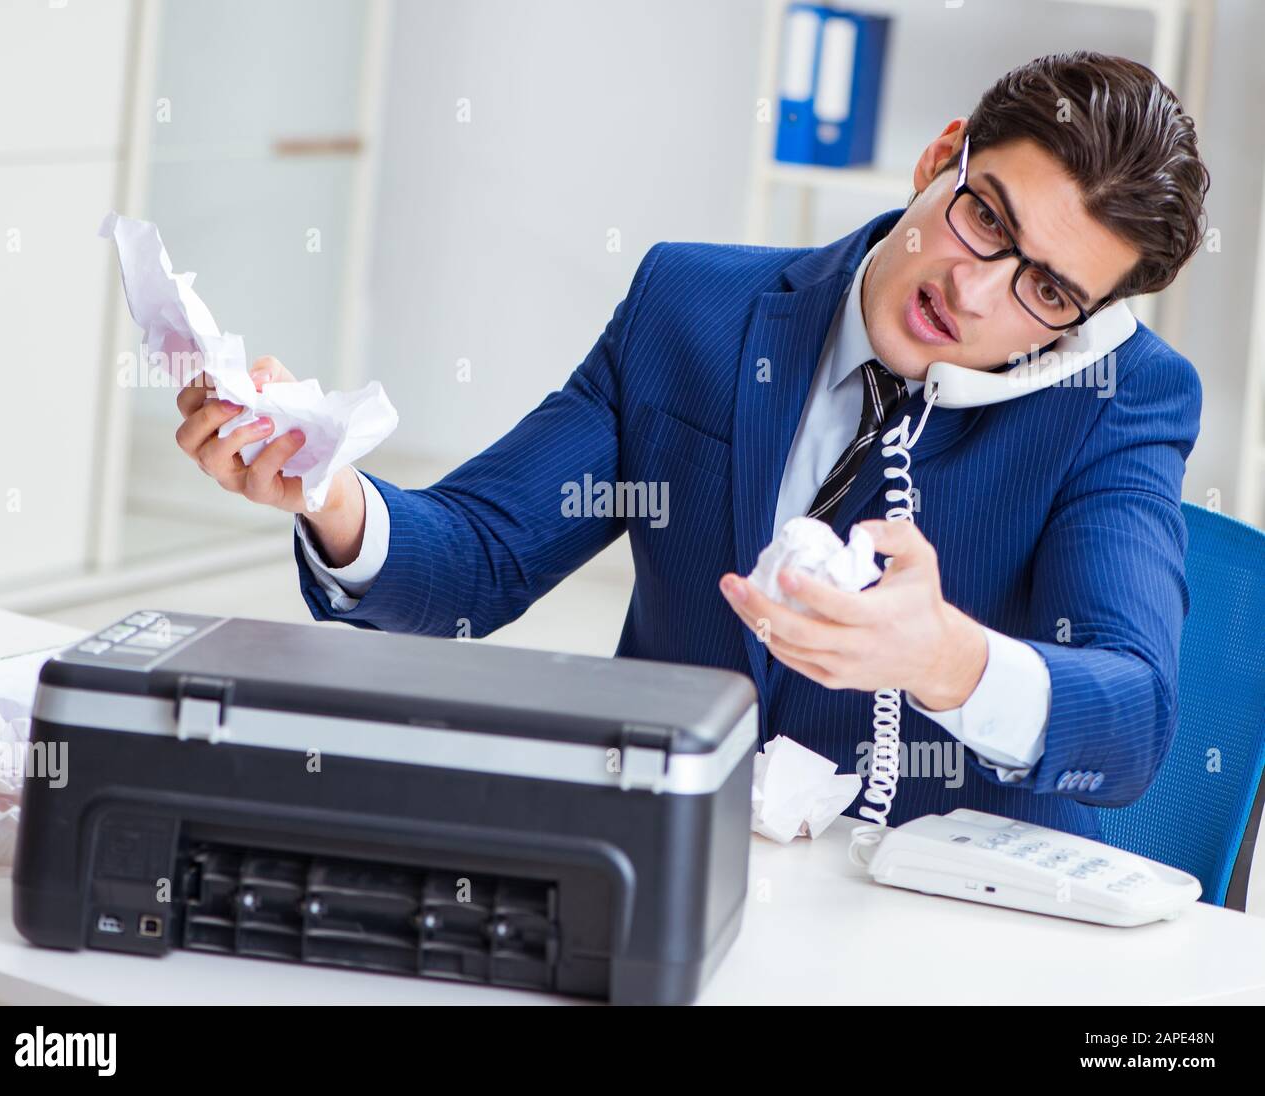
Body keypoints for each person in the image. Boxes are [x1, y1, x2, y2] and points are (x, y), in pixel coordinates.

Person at [174, 52, 1209, 838]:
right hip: (666, 851)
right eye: (984, 217)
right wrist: (330, 494)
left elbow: (1131, 723)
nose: (973, 291)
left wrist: (947, 658)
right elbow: (478, 560)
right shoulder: (693, 307)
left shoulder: (1119, 402)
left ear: (1081, 325)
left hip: (926, 921)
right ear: (940, 160)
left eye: (1047, 290)